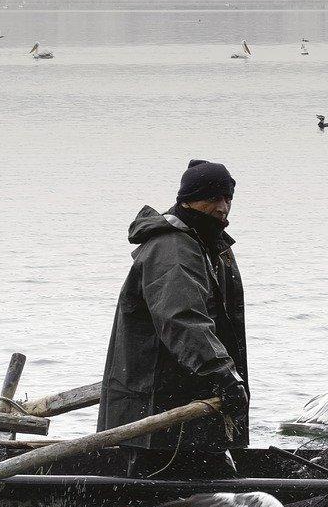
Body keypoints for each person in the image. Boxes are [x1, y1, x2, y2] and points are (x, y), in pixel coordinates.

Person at [97, 159, 249, 478]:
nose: (223, 208)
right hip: (159, 404)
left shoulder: (206, 243)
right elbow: (182, 318)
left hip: (186, 397)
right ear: (188, 201)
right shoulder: (173, 249)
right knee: (170, 482)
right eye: (213, 199)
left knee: (214, 476)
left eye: (228, 198)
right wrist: (223, 373)